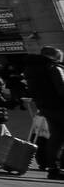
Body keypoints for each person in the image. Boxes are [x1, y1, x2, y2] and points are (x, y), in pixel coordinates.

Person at [23, 46, 64, 178]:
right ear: (54, 57)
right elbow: (62, 89)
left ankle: (53, 169)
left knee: (56, 137)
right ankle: (55, 167)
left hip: (46, 107)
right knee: (57, 137)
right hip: (60, 107)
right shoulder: (52, 68)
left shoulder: (31, 69)